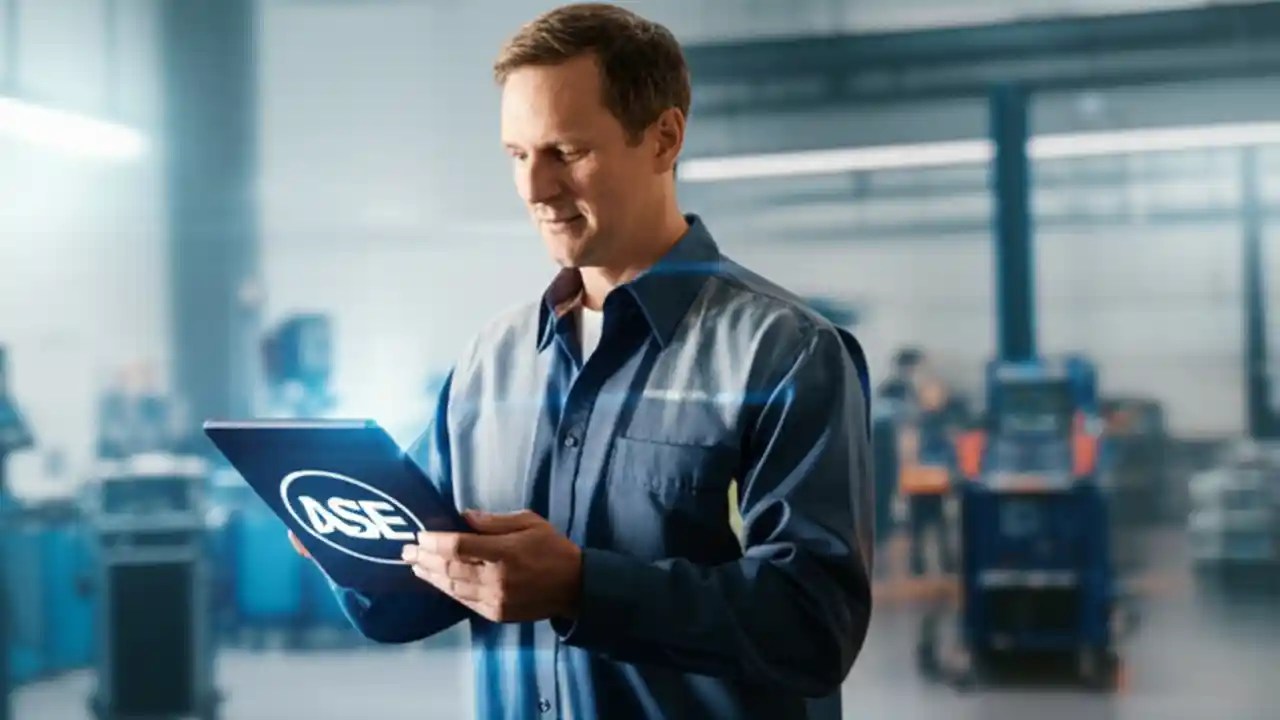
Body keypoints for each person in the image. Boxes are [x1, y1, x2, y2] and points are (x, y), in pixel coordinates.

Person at [291, 4, 873, 718]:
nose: (535, 189)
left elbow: (813, 627)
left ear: (663, 138)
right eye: (517, 155)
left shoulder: (783, 354)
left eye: (565, 152)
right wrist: (347, 548)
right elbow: (401, 608)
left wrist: (581, 587)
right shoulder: (491, 363)